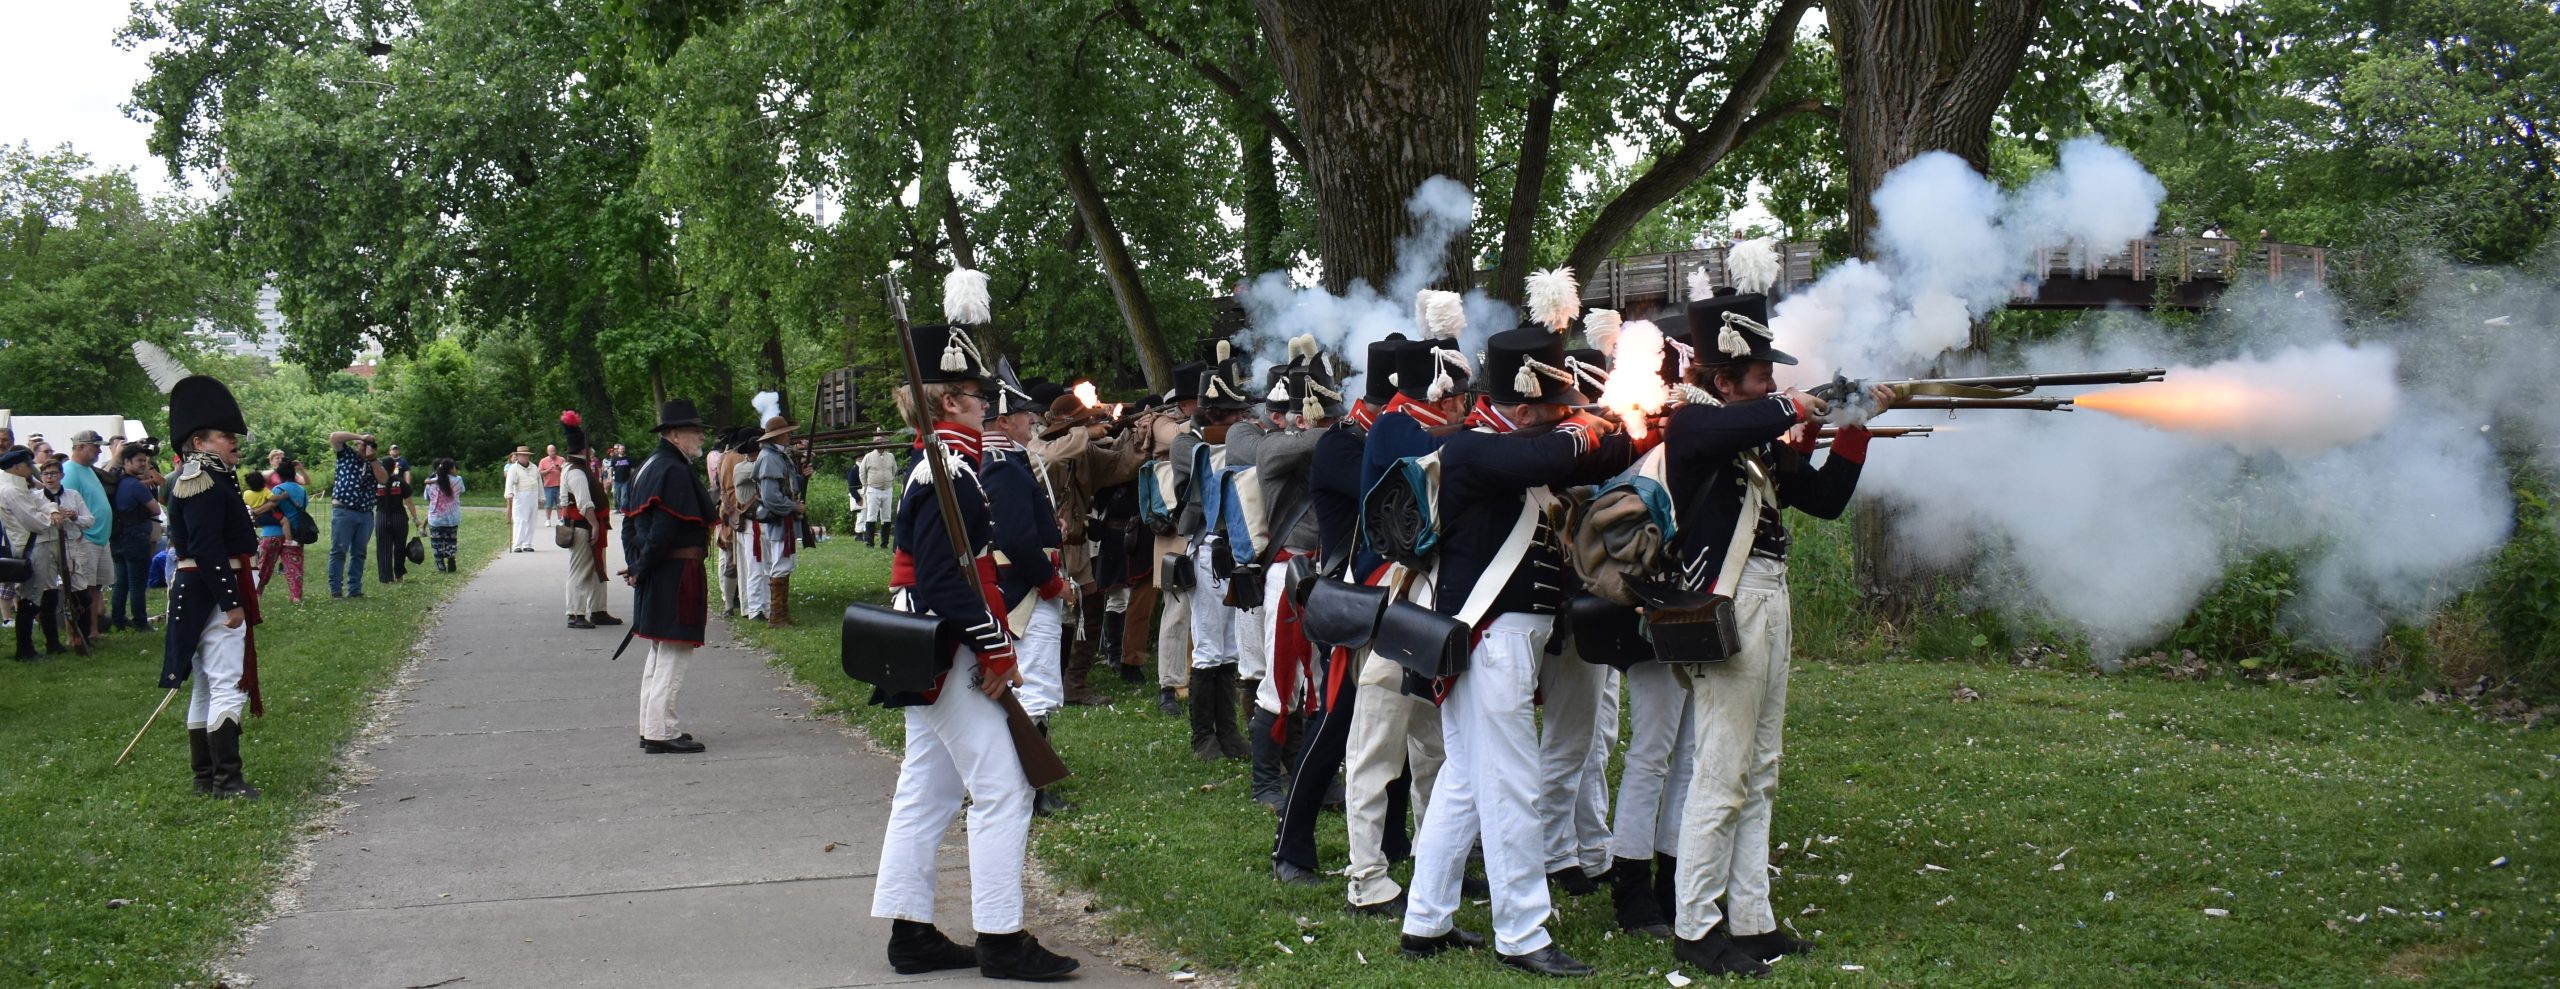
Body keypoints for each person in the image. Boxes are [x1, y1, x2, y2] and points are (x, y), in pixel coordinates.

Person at [1400, 326, 1644, 978]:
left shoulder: (1515, 444)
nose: (1570, 415)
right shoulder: (1473, 450)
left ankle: (1426, 917)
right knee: (1510, 787)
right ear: (1528, 409)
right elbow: (1552, 456)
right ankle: (1522, 931)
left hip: (1502, 639)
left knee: (1463, 782)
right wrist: (1585, 425)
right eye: (1558, 405)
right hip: (1491, 637)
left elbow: (1596, 454)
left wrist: (1622, 423)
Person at [1660, 291, 1891, 976]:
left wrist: (1855, 424)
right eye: (1759, 373)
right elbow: (1752, 421)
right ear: (1722, 381)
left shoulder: (1752, 438)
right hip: (1729, 603)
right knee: (1721, 770)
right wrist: (1797, 405)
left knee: (1759, 769)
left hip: (1768, 597)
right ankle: (1696, 925)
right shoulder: (1689, 426)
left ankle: (1751, 918)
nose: (1771, 381)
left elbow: (1823, 499)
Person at [868, 314, 1078, 982]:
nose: (988, 402)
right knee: (1004, 787)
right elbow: (942, 582)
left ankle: (912, 932)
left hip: (935, 645)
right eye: (975, 392)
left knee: (926, 791)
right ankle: (1001, 936)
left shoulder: (951, 463)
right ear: (950, 401)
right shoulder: (946, 470)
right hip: (949, 647)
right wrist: (995, 650)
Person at [1339, 333, 1468, 917]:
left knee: (1432, 747)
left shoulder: (1407, 423)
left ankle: (1431, 857)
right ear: (1440, 393)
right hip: (1397, 602)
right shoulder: (1397, 427)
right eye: (1458, 395)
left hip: (1426, 607)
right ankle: (1365, 876)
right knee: (1376, 745)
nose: (1463, 406)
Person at [1270, 334, 1401, 886]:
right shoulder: (1346, 444)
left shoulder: (1373, 437)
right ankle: (1291, 848)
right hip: (1352, 600)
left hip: (1389, 600)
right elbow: (1392, 490)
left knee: (1400, 730)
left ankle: (1395, 844)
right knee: (1334, 726)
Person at [158, 375, 268, 798]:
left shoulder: (207, 474)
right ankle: (227, 780)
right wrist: (231, 600)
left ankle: (207, 778)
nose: (234, 442)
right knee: (224, 681)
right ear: (200, 441)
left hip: (199, 585)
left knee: (207, 683)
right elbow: (205, 547)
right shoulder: (202, 478)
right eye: (226, 436)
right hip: (211, 586)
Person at [979, 367, 1070, 815]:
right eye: (1022, 416)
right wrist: (1053, 584)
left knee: (1030, 687)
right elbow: (1015, 541)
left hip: (1018, 587)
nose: (1030, 422)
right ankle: (1030, 790)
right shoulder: (1005, 467)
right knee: (1033, 689)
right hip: (1025, 593)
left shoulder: (1000, 461)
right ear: (1002, 421)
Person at [620, 399, 717, 754]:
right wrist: (640, 568)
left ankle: (655, 726)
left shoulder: (650, 465)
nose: (701, 437)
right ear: (675, 434)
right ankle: (660, 731)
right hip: (675, 574)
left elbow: (629, 525)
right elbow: (661, 530)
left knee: (661, 652)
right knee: (673, 651)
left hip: (659, 571)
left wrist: (637, 566)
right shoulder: (672, 470)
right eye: (695, 431)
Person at [1177, 348, 1255, 762]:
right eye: (1235, 417)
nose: (1242, 423)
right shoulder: (1188, 446)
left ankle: (1227, 732)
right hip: (1206, 550)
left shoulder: (1227, 443)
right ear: (1216, 416)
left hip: (1231, 552)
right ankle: (1202, 737)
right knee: (1208, 647)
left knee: (1229, 648)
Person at [3, 448, 74, 658]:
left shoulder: (20, 486)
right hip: (32, 545)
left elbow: (40, 500)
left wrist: (52, 509)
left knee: (50, 591)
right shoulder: (10, 490)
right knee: (31, 596)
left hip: (41, 543)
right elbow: (33, 521)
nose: (31, 469)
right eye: (27, 465)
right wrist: (53, 518)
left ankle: (52, 642)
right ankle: (25, 649)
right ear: (17, 467)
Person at [559, 413, 621, 629]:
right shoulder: (575, 472)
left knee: (596, 570)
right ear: (582, 451)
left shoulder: (577, 468)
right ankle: (575, 614)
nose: (592, 451)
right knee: (580, 571)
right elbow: (585, 503)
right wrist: (595, 524)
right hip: (583, 527)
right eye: (589, 448)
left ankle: (598, 610)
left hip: (588, 526)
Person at [750, 395, 805, 626]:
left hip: (781, 521)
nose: (789, 435)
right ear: (778, 436)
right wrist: (794, 506)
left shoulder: (776, 456)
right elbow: (772, 497)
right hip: (778, 520)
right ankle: (778, 616)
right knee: (780, 565)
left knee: (783, 564)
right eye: (787, 432)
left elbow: (787, 486)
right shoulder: (770, 458)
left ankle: (780, 614)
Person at [63, 430, 115, 641]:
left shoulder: (88, 470)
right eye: (95, 447)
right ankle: (75, 633)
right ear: (81, 446)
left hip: (100, 537)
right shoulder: (70, 471)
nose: (99, 451)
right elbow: (67, 506)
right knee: (80, 588)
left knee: (95, 586)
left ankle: (92, 630)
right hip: (84, 538)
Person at [325, 431, 387, 597]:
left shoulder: (375, 463)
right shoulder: (346, 455)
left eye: (371, 445)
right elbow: (334, 437)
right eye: (364, 444)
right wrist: (361, 437)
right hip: (344, 510)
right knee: (339, 551)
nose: (367, 447)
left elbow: (384, 480)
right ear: (355, 444)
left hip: (365, 513)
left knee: (359, 553)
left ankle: (355, 589)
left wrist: (372, 459)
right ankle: (336, 590)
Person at [111, 443, 166, 628]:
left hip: (118, 537)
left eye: (145, 461)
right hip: (135, 538)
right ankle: (140, 622)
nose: (143, 464)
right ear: (127, 462)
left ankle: (118, 619)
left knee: (121, 582)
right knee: (137, 583)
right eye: (139, 461)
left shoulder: (118, 481)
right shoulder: (136, 486)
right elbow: (156, 509)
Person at [256, 458, 310, 603]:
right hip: (295, 535)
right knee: (294, 566)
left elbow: (270, 507)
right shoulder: (302, 491)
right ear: (293, 474)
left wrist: (256, 511)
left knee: (264, 566)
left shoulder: (277, 489)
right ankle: (296, 596)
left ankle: (257, 594)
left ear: (279, 476)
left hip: (272, 533)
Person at [375, 444, 421, 584]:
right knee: (399, 546)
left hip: (382, 516)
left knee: (383, 547)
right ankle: (399, 574)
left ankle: (385, 577)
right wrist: (415, 517)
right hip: (399, 517)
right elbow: (408, 501)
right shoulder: (400, 482)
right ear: (394, 467)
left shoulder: (377, 482)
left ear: (382, 467)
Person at [423, 458, 465, 573]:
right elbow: (461, 491)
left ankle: (440, 563)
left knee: (437, 541)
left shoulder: (431, 482)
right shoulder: (458, 480)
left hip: (435, 517)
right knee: (451, 539)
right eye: (454, 467)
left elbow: (427, 498)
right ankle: (451, 557)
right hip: (452, 517)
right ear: (451, 469)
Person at [855, 445, 897, 547]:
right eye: (877, 441)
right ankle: (870, 543)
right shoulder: (868, 456)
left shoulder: (891, 456)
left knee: (886, 517)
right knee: (871, 516)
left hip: (887, 489)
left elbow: (894, 470)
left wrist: (889, 481)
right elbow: (862, 472)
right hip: (873, 490)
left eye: (881, 440)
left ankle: (884, 543)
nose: (880, 443)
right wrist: (866, 485)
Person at [503, 446, 542, 552]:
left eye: (526, 455)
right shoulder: (513, 468)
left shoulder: (534, 467)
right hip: (520, 495)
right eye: (522, 455)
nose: (525, 457)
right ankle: (517, 545)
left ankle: (527, 544)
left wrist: (541, 497)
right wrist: (509, 493)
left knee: (531, 520)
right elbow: (509, 482)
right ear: (518, 456)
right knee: (520, 520)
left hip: (533, 495)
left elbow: (539, 482)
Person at [537, 444, 567, 525]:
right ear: (547, 452)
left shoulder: (561, 459)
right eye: (551, 451)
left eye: (554, 451)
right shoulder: (543, 461)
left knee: (560, 503)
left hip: (560, 485)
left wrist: (559, 468)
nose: (552, 452)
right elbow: (540, 473)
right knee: (548, 504)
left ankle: (560, 519)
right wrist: (549, 469)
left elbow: (566, 471)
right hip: (548, 485)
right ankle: (548, 520)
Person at [606, 443, 634, 510]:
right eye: (621, 449)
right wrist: (610, 477)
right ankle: (616, 508)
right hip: (616, 480)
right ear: (618, 450)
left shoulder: (628, 458)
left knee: (624, 496)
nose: (622, 450)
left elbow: (632, 469)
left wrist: (632, 477)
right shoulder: (614, 458)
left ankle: (623, 509)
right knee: (616, 495)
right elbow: (611, 468)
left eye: (623, 449)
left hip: (626, 480)